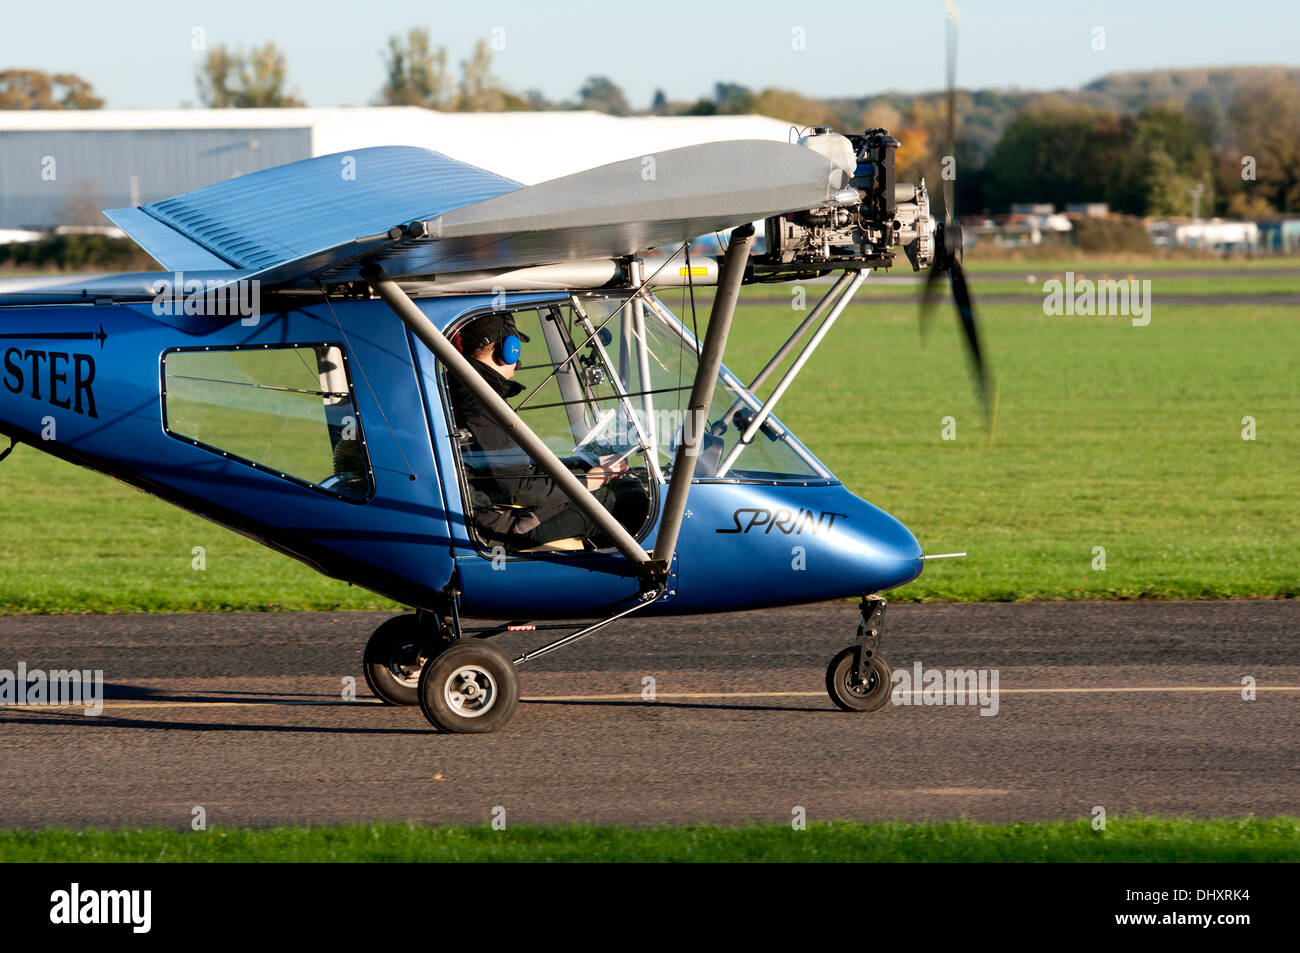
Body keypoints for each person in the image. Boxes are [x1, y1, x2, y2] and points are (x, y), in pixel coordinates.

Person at [448, 311, 641, 549]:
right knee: (626, 499)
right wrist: (588, 481)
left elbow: (518, 471)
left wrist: (585, 467)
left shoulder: (472, 391)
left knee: (625, 484)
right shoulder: (480, 404)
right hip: (499, 524)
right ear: (508, 349)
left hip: (496, 509)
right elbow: (518, 487)